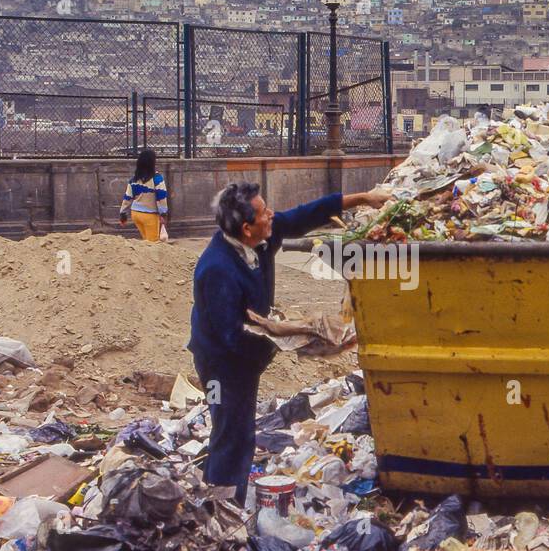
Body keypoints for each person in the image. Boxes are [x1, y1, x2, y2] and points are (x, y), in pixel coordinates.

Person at [188, 182, 389, 503]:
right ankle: (222, 506)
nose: (272, 216)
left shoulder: (261, 239)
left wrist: (363, 198)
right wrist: (297, 337)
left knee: (235, 429)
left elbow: (304, 215)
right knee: (232, 432)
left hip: (244, 355)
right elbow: (233, 336)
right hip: (220, 362)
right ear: (246, 228)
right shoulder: (218, 270)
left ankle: (219, 493)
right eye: (265, 212)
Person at [118, 148, 169, 241]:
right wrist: (163, 214)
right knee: (153, 243)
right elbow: (161, 197)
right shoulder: (157, 179)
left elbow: (127, 198)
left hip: (136, 214)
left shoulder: (134, 179)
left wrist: (123, 215)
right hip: (150, 215)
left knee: (146, 241)